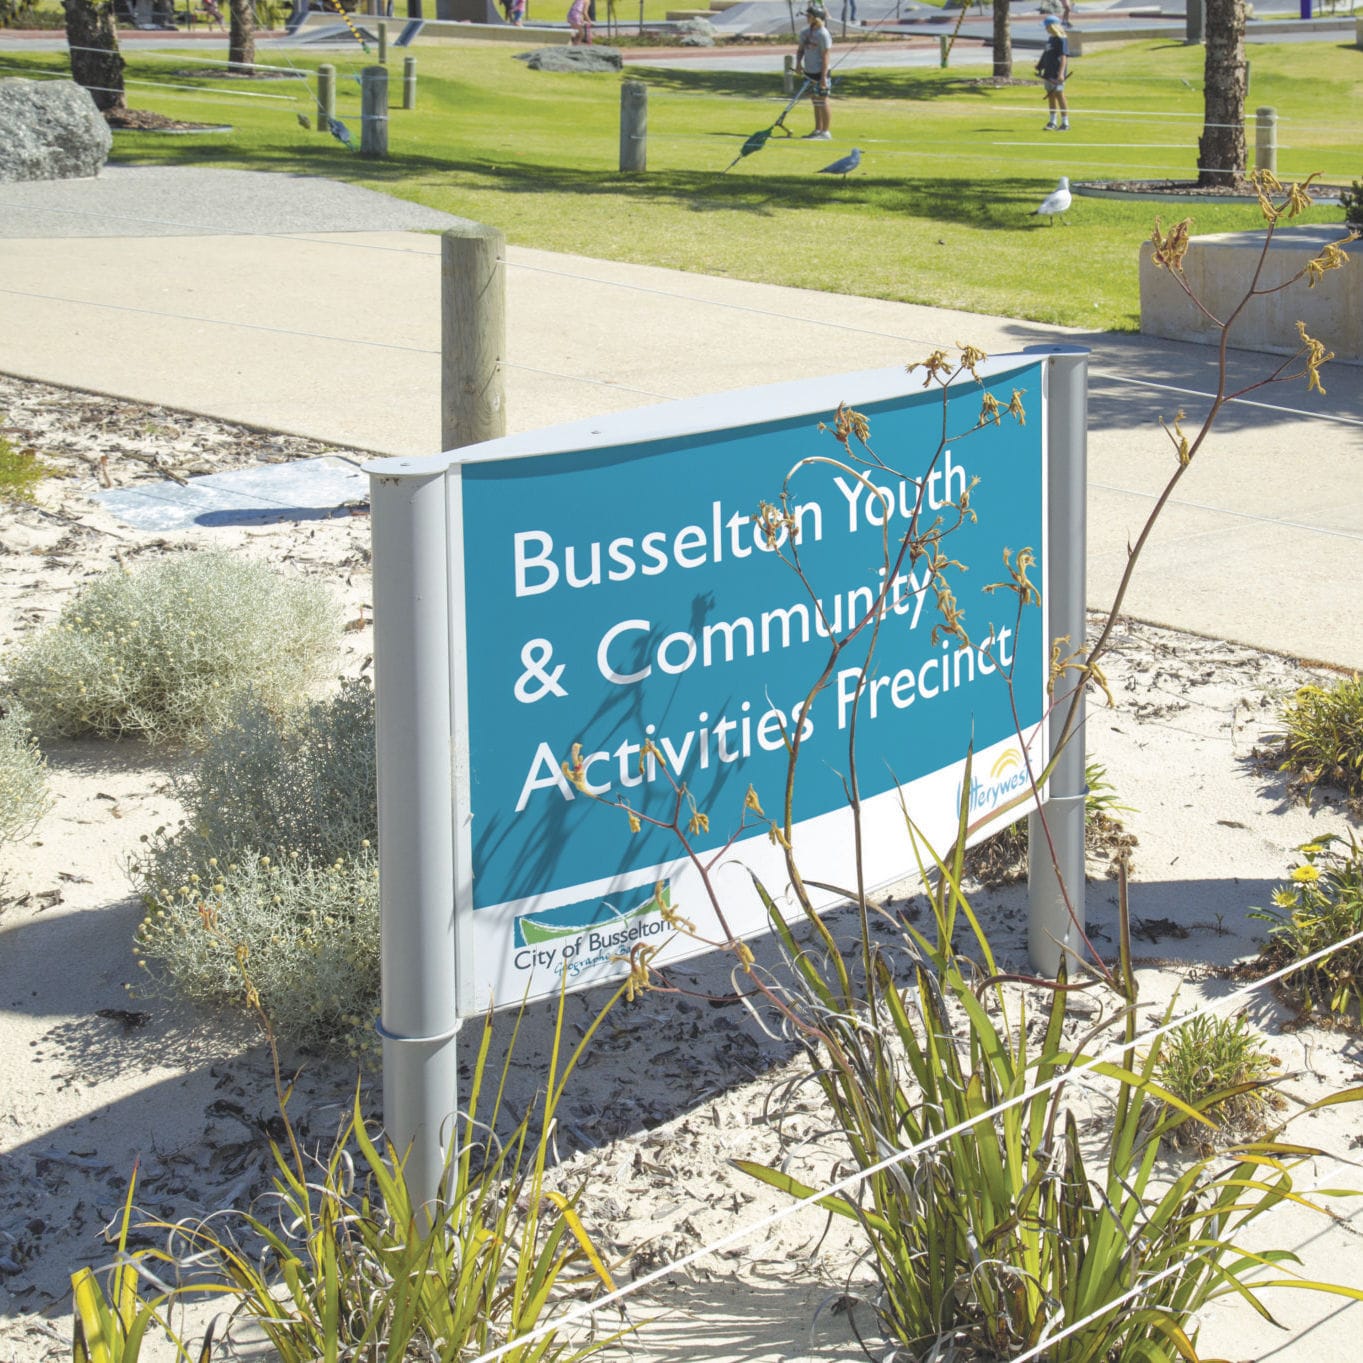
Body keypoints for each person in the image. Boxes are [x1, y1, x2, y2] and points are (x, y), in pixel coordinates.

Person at [795, 3, 833, 141]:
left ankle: (826, 132)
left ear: (816, 18)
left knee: (823, 101)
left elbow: (826, 56)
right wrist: (798, 64)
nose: (807, 18)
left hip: (820, 73)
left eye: (809, 16)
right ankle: (818, 130)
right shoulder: (805, 32)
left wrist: (823, 78)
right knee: (815, 101)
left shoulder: (823, 34)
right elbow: (800, 50)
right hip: (809, 72)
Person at [1036, 14, 1069, 131]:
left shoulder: (1061, 39)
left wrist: (1061, 74)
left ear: (1051, 26)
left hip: (1056, 73)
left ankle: (1065, 122)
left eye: (1046, 26)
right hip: (1048, 73)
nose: (1045, 29)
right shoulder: (1051, 39)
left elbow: (1063, 57)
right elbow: (1046, 54)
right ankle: (1052, 121)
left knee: (1059, 95)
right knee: (1051, 96)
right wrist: (1040, 65)